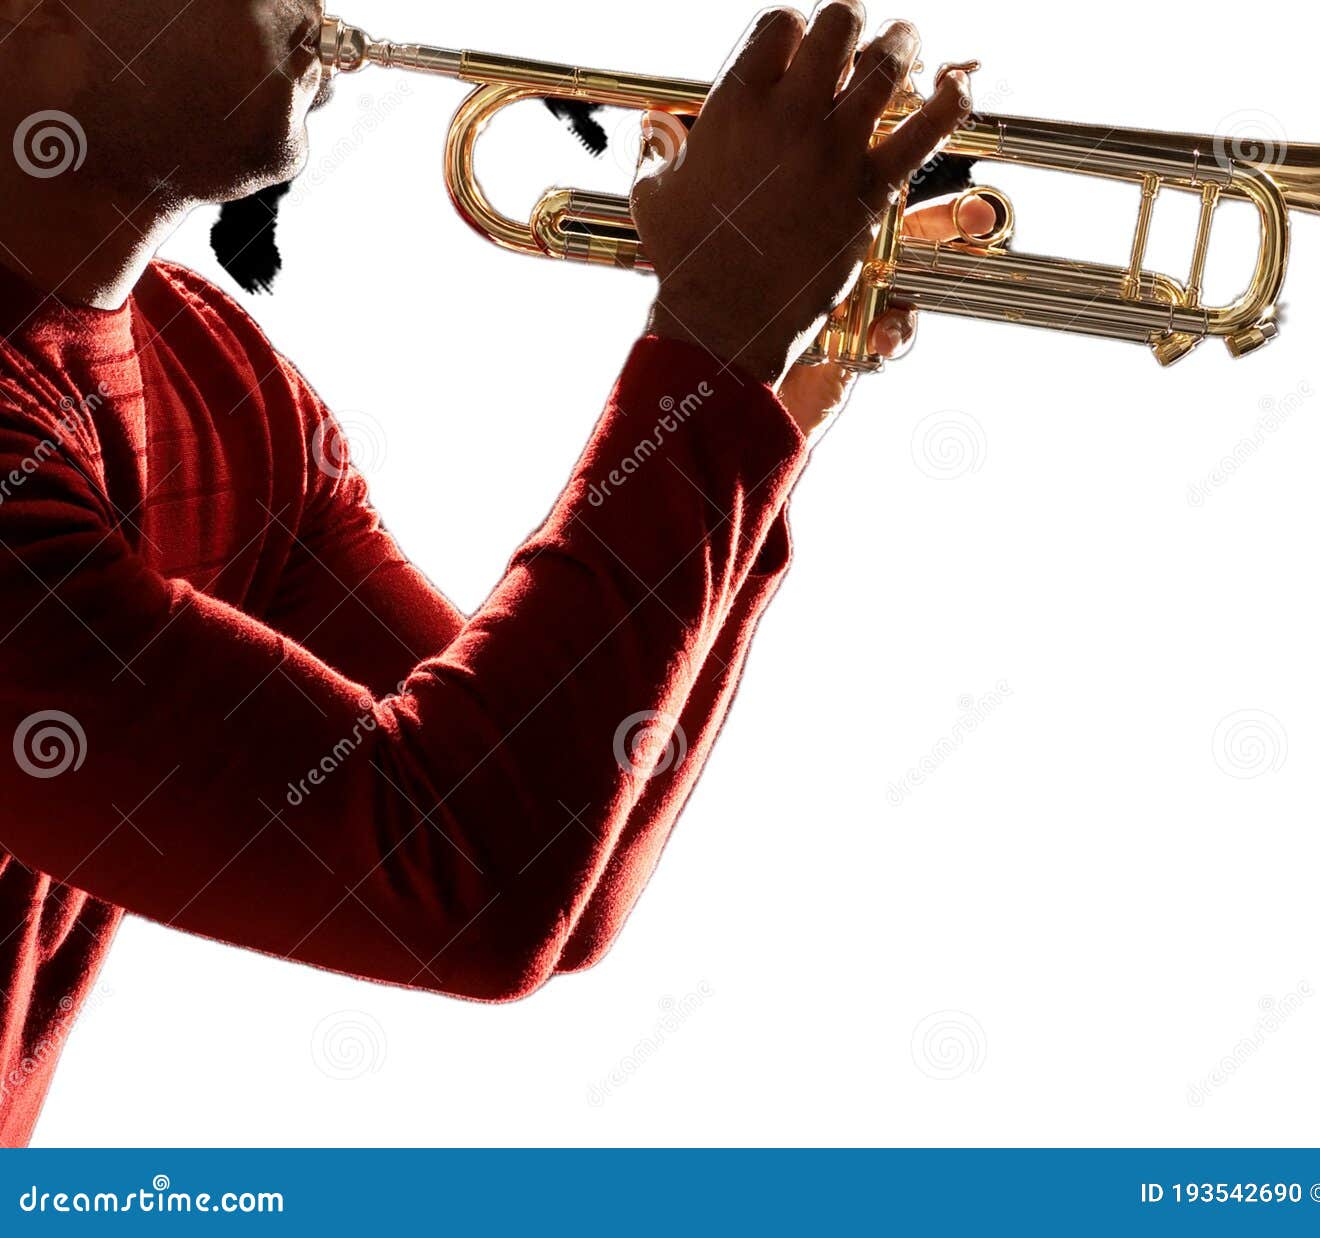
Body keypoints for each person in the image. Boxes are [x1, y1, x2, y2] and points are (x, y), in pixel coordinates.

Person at [0, 0, 991, 1143]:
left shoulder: (218, 377)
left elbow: (569, 852)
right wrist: (717, 336)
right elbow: (473, 883)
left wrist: (769, 390)